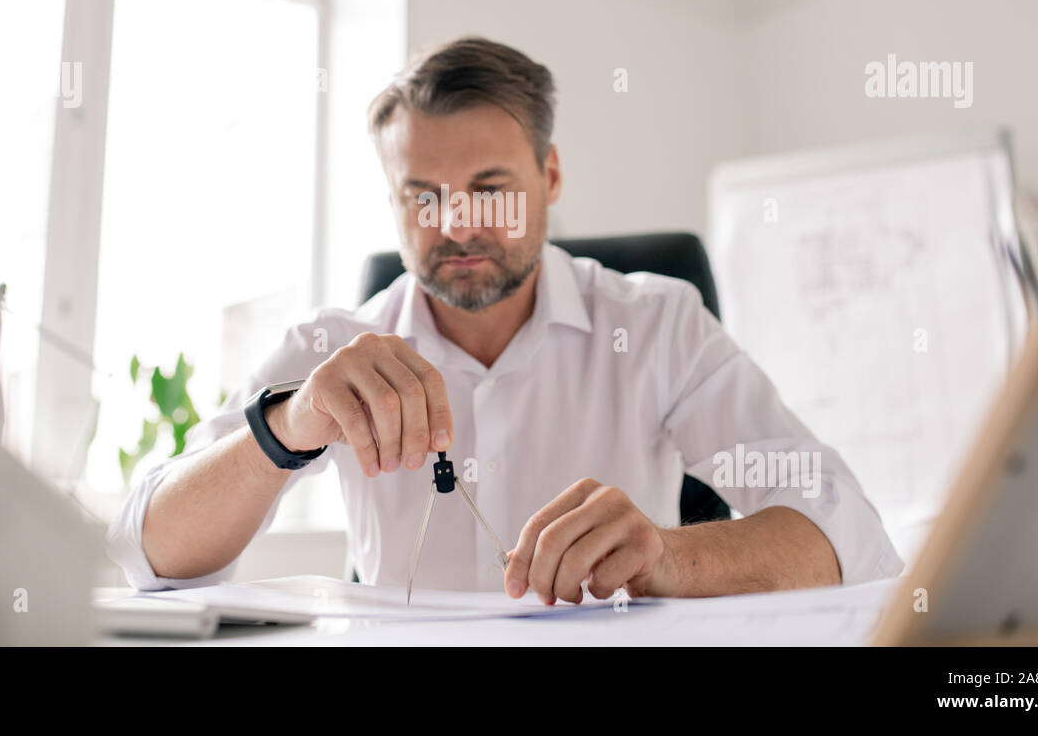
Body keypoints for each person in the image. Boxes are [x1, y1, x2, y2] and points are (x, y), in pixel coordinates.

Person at [108, 36, 903, 604]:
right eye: (422, 195)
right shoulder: (330, 349)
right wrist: (289, 424)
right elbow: (149, 554)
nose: (456, 224)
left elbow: (850, 537)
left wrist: (668, 555)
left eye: (489, 186)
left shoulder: (659, 326)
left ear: (549, 175)